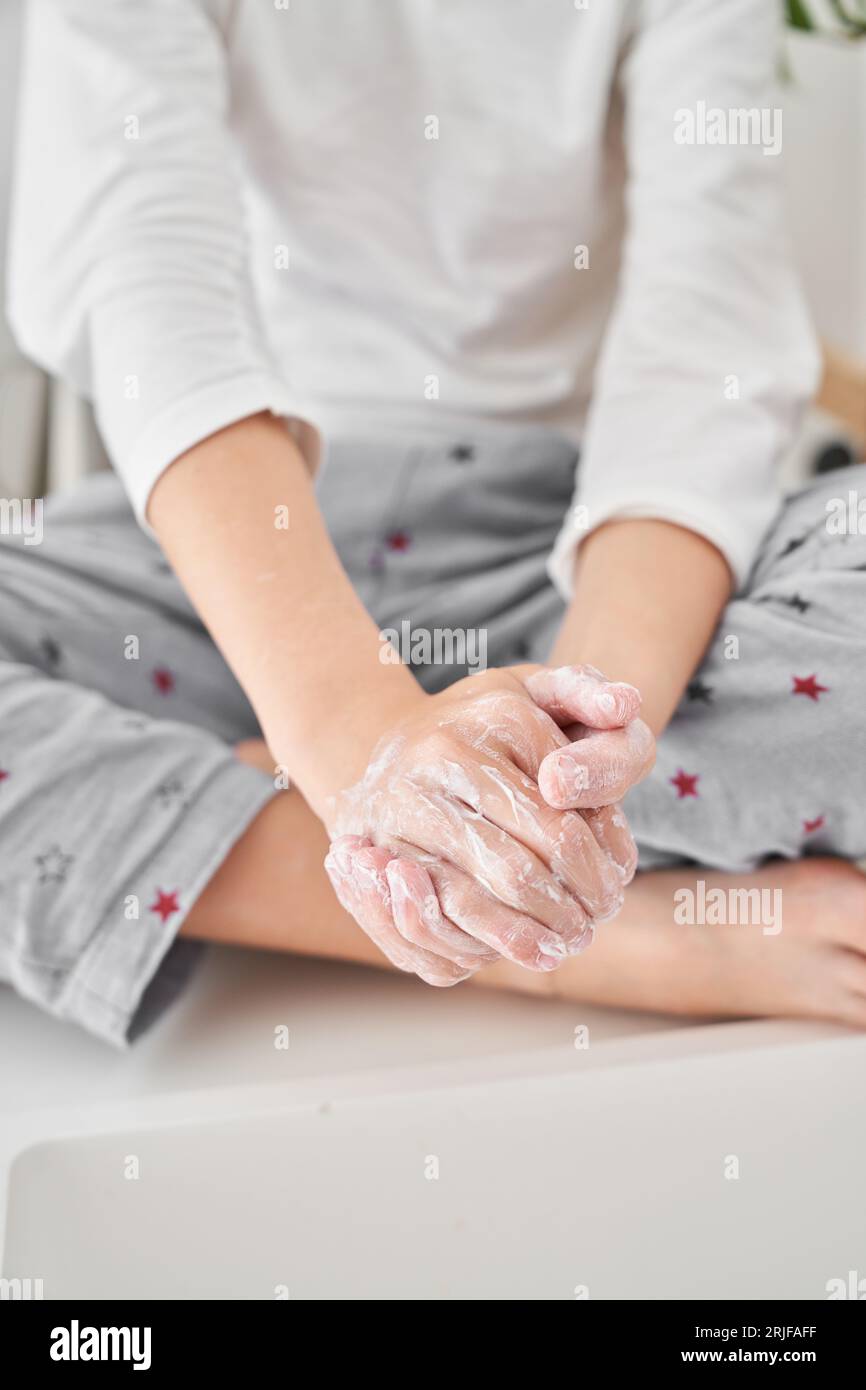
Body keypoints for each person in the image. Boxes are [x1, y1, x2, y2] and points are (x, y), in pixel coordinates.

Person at [3, 0, 865, 1047]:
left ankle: (256, 806)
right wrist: (356, 747)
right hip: (243, 563)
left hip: (570, 546)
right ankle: (598, 939)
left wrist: (579, 735)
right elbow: (147, 283)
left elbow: (700, 341)